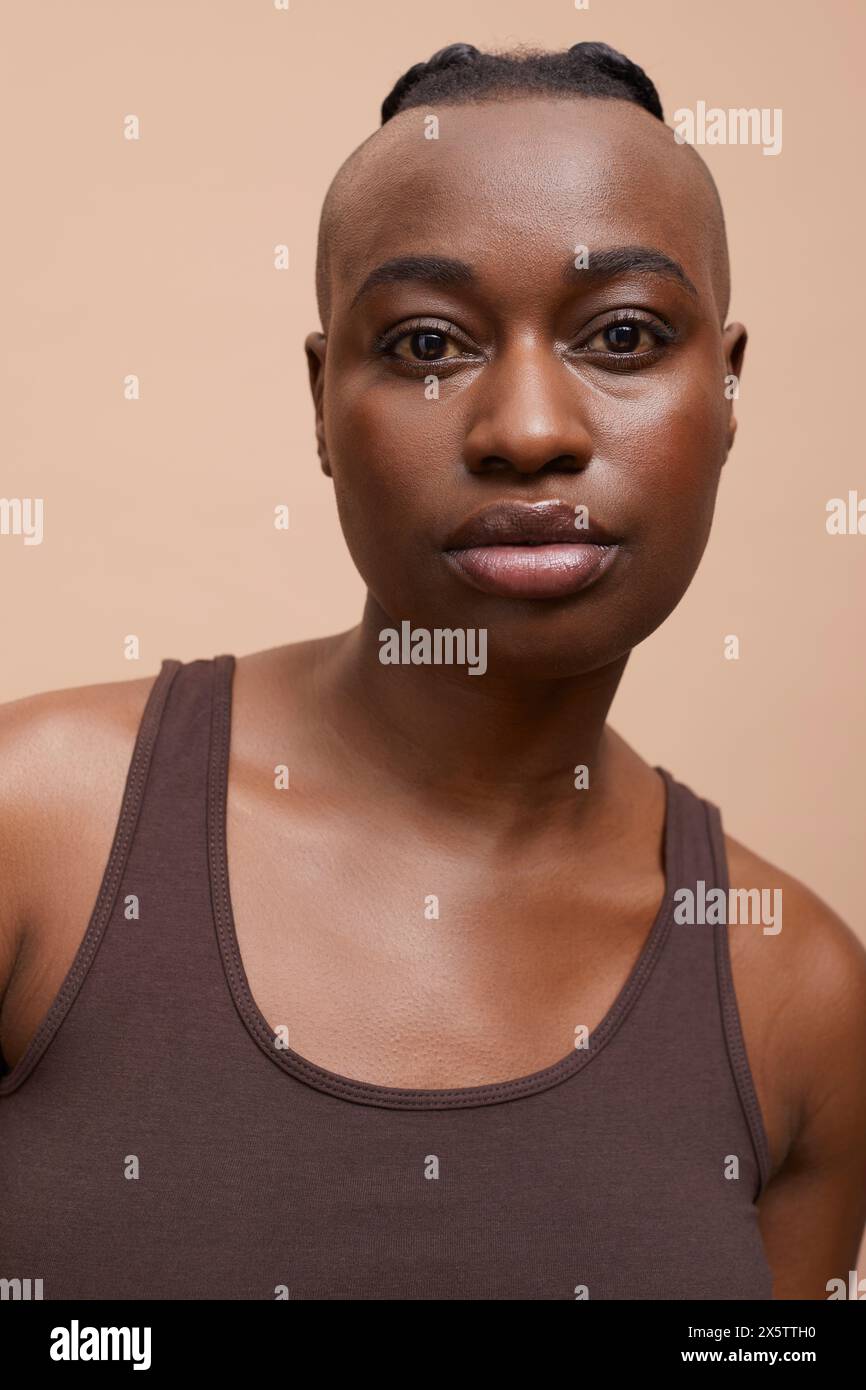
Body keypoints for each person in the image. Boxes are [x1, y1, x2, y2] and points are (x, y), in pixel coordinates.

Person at [1, 41, 864, 1302]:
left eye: (620, 334)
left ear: (725, 391)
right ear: (319, 404)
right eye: (424, 345)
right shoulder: (38, 835)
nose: (526, 431)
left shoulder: (794, 996)